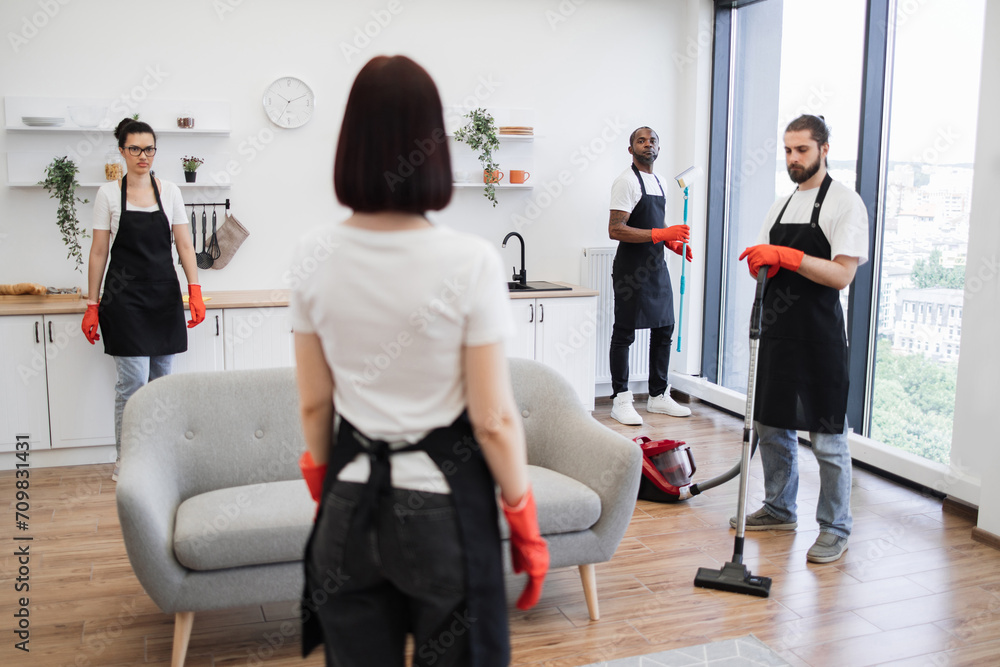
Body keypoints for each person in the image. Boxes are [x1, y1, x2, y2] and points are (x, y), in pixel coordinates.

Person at [292, 55, 548, 667]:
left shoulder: (312, 255)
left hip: (349, 514)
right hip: (442, 516)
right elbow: (493, 420)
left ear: (349, 144)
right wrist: (525, 519)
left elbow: (313, 402)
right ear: (433, 147)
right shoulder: (470, 261)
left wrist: (328, 485)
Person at [735, 114, 869, 564]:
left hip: (819, 337)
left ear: (824, 149)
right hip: (775, 330)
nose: (793, 159)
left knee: (828, 436)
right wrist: (759, 261)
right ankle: (779, 507)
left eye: (802, 150)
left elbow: (841, 275)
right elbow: (761, 255)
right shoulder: (781, 203)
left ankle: (835, 527)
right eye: (788, 150)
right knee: (773, 425)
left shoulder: (845, 204)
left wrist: (789, 256)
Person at [82, 118, 205, 482]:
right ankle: (129, 459)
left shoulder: (169, 191)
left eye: (149, 148)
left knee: (161, 383)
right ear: (121, 150)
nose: (142, 156)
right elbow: (99, 252)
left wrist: (193, 290)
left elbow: (184, 244)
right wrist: (92, 304)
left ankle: (160, 457)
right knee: (133, 382)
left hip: (163, 297)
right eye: (134, 148)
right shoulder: (108, 194)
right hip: (123, 302)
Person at [607, 126, 693, 426]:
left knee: (664, 329)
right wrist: (660, 233)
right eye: (640, 141)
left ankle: (658, 396)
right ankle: (621, 399)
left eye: (652, 140)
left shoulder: (660, 182)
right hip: (631, 270)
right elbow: (615, 229)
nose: (647, 144)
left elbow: (656, 223)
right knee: (625, 333)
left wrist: (672, 242)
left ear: (659, 148)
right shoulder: (625, 181)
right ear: (631, 149)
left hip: (657, 267)